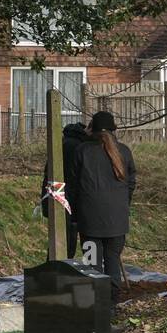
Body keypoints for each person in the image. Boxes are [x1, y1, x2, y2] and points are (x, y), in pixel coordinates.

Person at [68, 111, 136, 302]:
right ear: (114, 129)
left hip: (90, 222)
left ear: (93, 130)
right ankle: (112, 302)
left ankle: (96, 304)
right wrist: (123, 205)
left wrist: (74, 214)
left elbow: (73, 186)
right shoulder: (124, 151)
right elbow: (131, 183)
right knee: (112, 261)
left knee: (92, 264)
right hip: (117, 221)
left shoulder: (82, 151)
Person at [41, 121, 89, 258]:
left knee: (58, 242)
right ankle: (61, 272)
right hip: (66, 199)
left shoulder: (62, 143)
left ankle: (53, 271)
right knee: (67, 241)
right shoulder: (79, 148)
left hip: (55, 194)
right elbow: (75, 178)